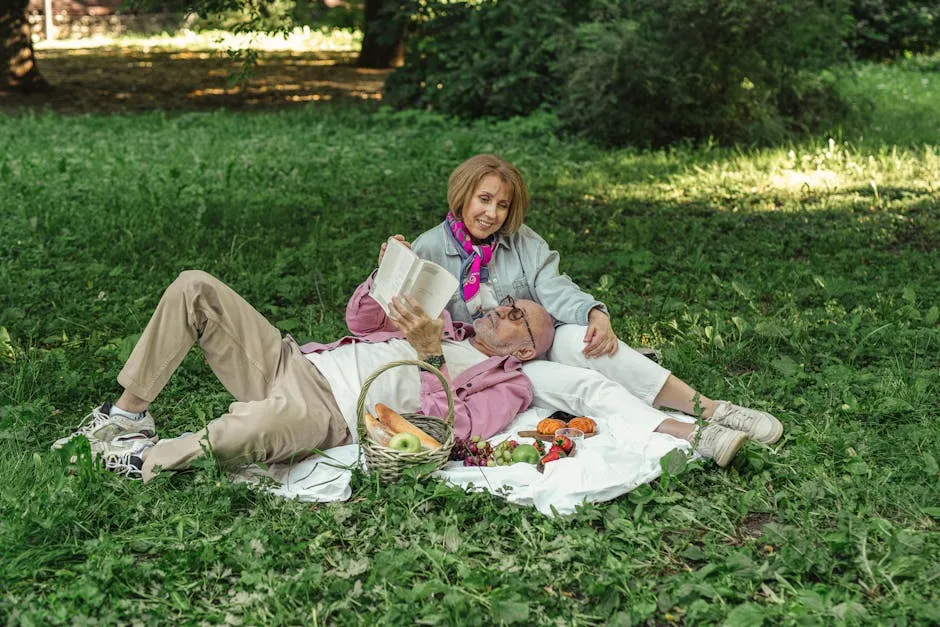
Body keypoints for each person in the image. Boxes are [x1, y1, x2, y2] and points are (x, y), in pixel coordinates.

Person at [370, 154, 784, 448]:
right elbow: (406, 313)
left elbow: (553, 286)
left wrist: (592, 312)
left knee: (591, 342)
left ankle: (710, 408)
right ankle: (692, 434)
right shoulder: (429, 246)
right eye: (483, 199)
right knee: (583, 385)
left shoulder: (522, 241)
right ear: (462, 195)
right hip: (487, 362)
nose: (492, 213)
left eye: (502, 205)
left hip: (537, 338)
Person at [50, 269, 557, 481]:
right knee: (195, 287)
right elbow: (360, 320)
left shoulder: (510, 383)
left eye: (519, 318)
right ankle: (126, 417)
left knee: (251, 431)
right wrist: (383, 277)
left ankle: (142, 460)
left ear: (530, 348)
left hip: (328, 411)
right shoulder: (445, 322)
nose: (505, 312)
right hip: (293, 362)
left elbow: (450, 430)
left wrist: (430, 356)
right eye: (509, 304)